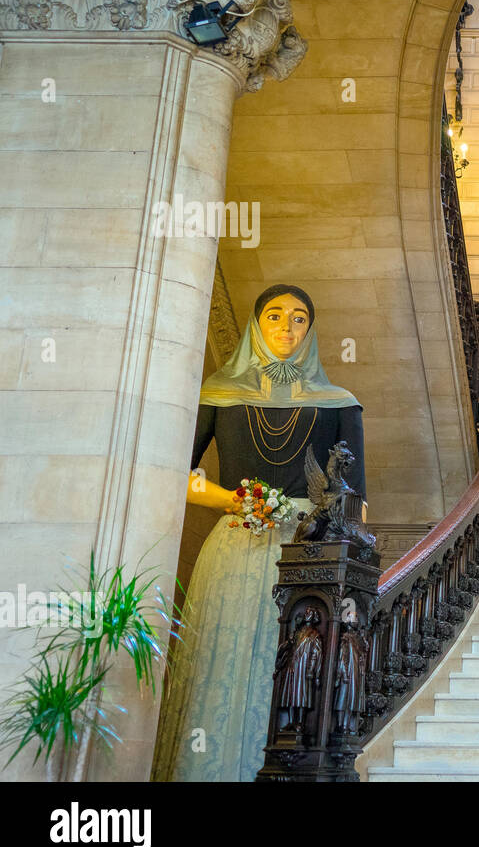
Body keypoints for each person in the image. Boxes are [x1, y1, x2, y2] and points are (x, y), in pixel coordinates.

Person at [152, 284, 365, 782]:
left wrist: (347, 568)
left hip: (306, 550)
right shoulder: (218, 393)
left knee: (290, 663)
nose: (286, 328)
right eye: (274, 315)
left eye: (298, 318)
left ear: (310, 329)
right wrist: (234, 500)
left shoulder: (340, 404)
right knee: (218, 663)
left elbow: (354, 497)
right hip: (234, 543)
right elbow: (172, 472)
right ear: (256, 324)